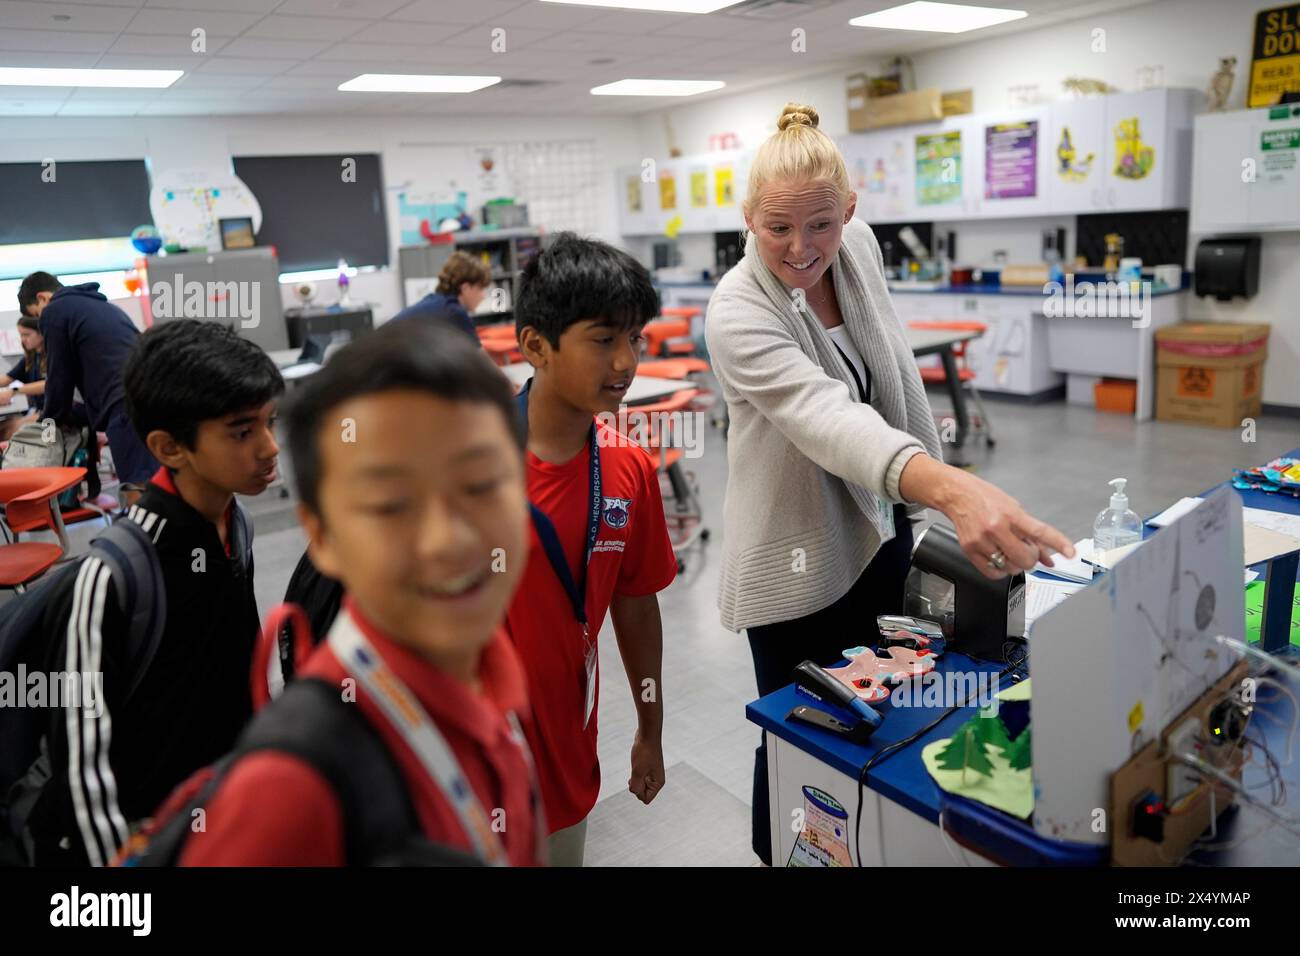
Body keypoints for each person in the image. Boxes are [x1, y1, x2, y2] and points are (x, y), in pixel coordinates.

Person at [704, 103, 1075, 865]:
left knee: (887, 710)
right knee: (804, 732)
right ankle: (785, 853)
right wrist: (948, 485)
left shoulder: (859, 249)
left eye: (820, 225)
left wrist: (922, 491)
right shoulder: (737, 308)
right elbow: (825, 414)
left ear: (849, 211)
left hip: (880, 527)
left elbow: (882, 376)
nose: (801, 248)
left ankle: (866, 844)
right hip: (794, 559)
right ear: (747, 218)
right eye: (777, 229)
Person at [178, 322, 544, 866]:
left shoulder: (495, 679)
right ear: (322, 537)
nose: (446, 540)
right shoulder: (287, 794)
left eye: (482, 485)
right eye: (392, 504)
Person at [23, 320, 282, 866]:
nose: (269, 448)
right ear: (169, 447)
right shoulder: (111, 576)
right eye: (242, 432)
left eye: (270, 423)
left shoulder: (237, 528)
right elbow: (82, 770)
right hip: (142, 842)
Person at [508, 233, 678, 866]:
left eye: (635, 338)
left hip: (569, 758)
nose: (626, 362)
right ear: (536, 346)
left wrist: (650, 729)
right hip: (464, 771)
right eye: (604, 339)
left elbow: (636, 608)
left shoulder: (629, 469)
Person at [17, 272, 160, 505]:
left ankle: (146, 538)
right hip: (154, 395)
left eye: (37, 315)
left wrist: (48, 427)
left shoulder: (55, 310)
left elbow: (59, 378)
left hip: (125, 404)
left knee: (137, 485)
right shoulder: (100, 306)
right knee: (158, 478)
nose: (41, 322)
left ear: (42, 298)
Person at [390, 250, 492, 343]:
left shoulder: (434, 301)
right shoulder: (454, 312)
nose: (483, 296)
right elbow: (481, 360)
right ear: (465, 288)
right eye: (480, 289)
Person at [0, 315, 47, 442]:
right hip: (35, 410)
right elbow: (7, 379)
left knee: (8, 432)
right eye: (21, 335)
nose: (23, 340)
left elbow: (47, 384)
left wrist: (13, 391)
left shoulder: (52, 356)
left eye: (27, 335)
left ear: (41, 333)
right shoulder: (30, 358)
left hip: (50, 415)